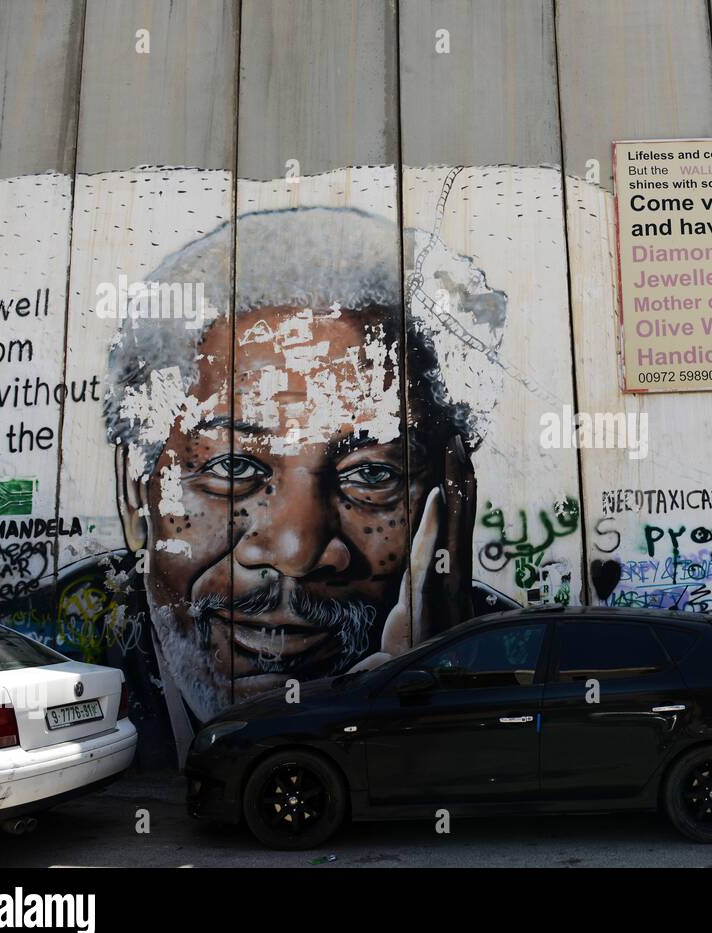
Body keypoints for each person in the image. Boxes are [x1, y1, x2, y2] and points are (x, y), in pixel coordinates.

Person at [35, 207, 513, 764]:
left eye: (373, 474)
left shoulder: (509, 654)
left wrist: (423, 703)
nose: (296, 550)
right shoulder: (37, 661)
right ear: (136, 494)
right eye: (233, 469)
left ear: (452, 494)